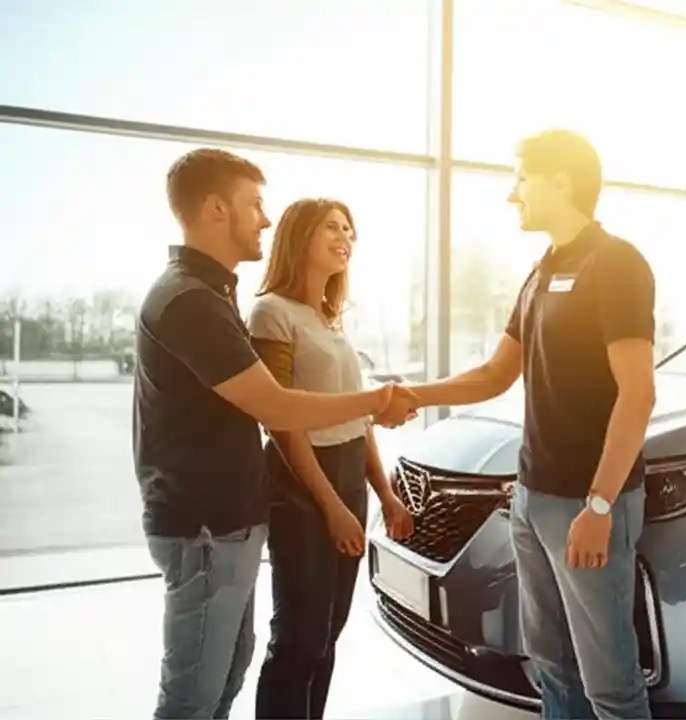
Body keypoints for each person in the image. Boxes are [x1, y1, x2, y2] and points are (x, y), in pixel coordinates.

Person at [133, 148, 416, 720]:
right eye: (254, 204)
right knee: (195, 696)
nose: (264, 217)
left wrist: (378, 482)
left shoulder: (210, 293)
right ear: (216, 209)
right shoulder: (191, 300)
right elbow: (277, 409)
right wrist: (378, 400)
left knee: (226, 675)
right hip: (205, 526)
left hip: (227, 522)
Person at [403, 129, 657, 719]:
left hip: (589, 503)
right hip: (533, 496)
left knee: (611, 683)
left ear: (562, 181)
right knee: (552, 670)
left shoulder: (615, 262)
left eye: (521, 177)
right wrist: (411, 392)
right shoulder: (542, 268)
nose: (512, 194)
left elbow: (638, 395)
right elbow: (495, 374)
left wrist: (598, 508)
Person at [247, 197, 415, 719]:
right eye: (331, 228)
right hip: (302, 488)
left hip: (347, 481)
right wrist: (329, 507)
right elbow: (280, 420)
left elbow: (358, 418)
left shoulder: (331, 319)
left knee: (328, 634)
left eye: (349, 228)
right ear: (300, 237)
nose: (344, 236)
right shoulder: (272, 311)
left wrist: (384, 494)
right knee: (298, 637)